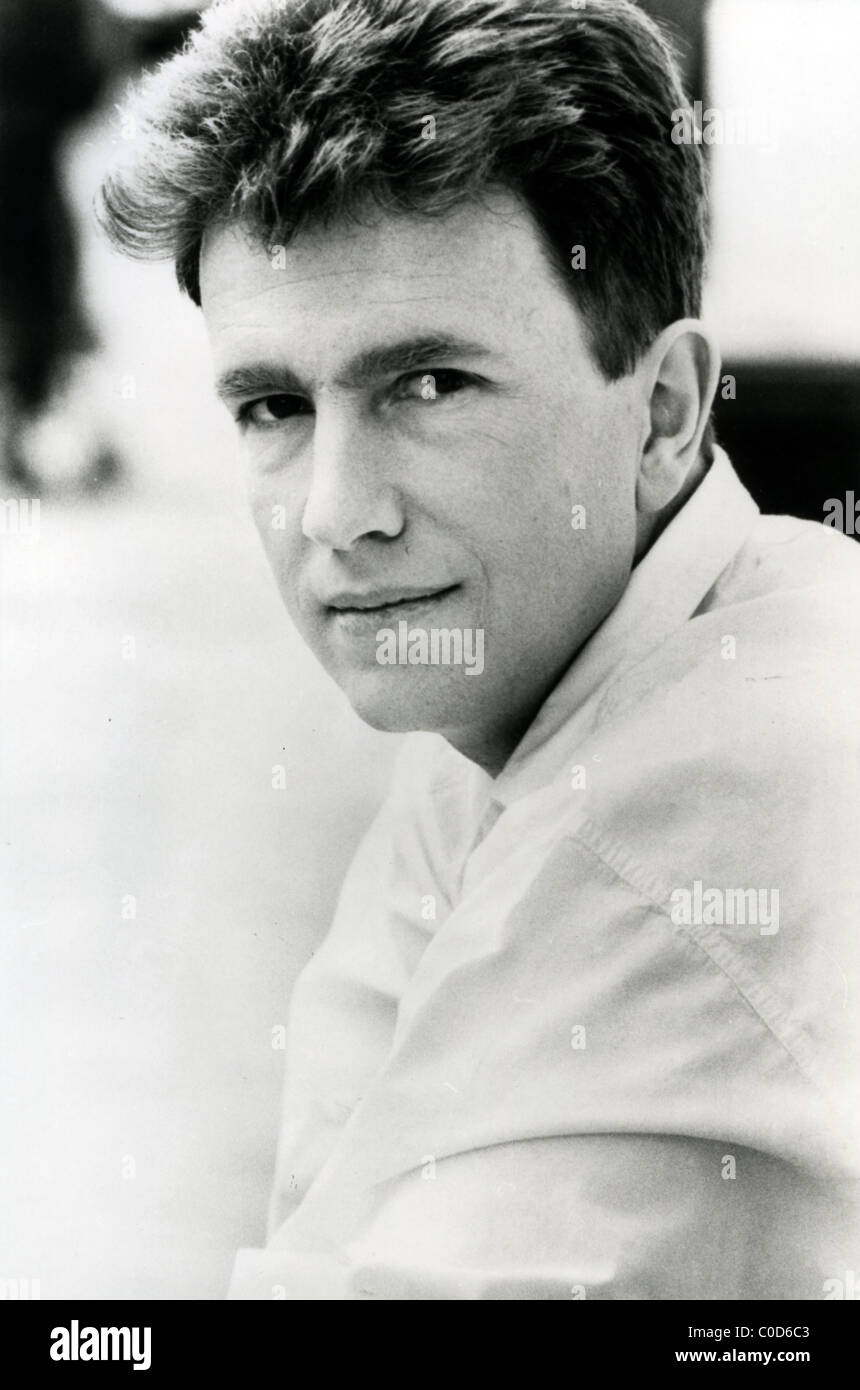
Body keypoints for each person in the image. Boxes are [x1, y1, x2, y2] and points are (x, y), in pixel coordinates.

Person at [99, 0, 860, 1299]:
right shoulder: (524, 696)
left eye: (432, 386)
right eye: (274, 405)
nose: (340, 513)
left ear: (667, 411)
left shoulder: (703, 789)